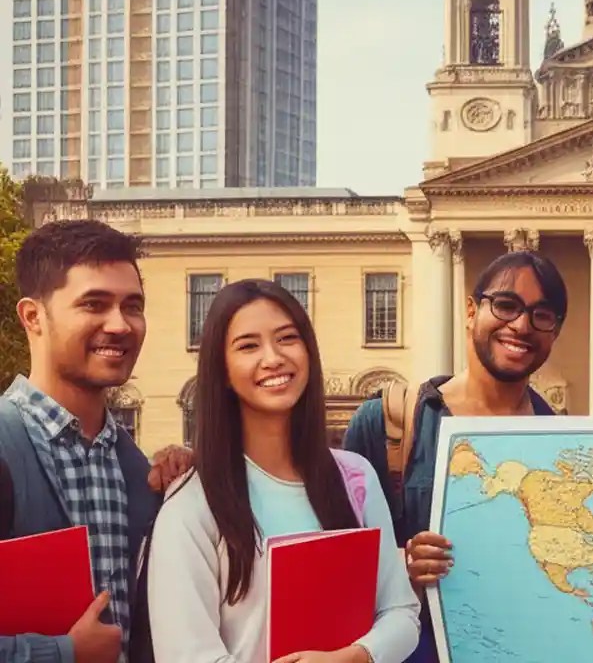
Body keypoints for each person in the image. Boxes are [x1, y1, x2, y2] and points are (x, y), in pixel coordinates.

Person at [145, 279, 419, 662]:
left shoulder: (354, 478)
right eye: (248, 346)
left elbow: (401, 612)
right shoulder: (192, 504)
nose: (273, 358)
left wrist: (355, 656)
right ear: (222, 370)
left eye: (287, 338)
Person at [342, 251, 568, 662]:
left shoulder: (562, 444)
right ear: (470, 310)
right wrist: (400, 564)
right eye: (505, 305)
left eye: (542, 315)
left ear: (554, 334)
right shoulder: (387, 423)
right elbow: (335, 560)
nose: (521, 325)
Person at [0, 219, 192, 663]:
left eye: (133, 306)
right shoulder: (8, 448)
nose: (120, 325)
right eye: (94, 304)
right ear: (33, 317)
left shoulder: (138, 467)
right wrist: (62, 652)